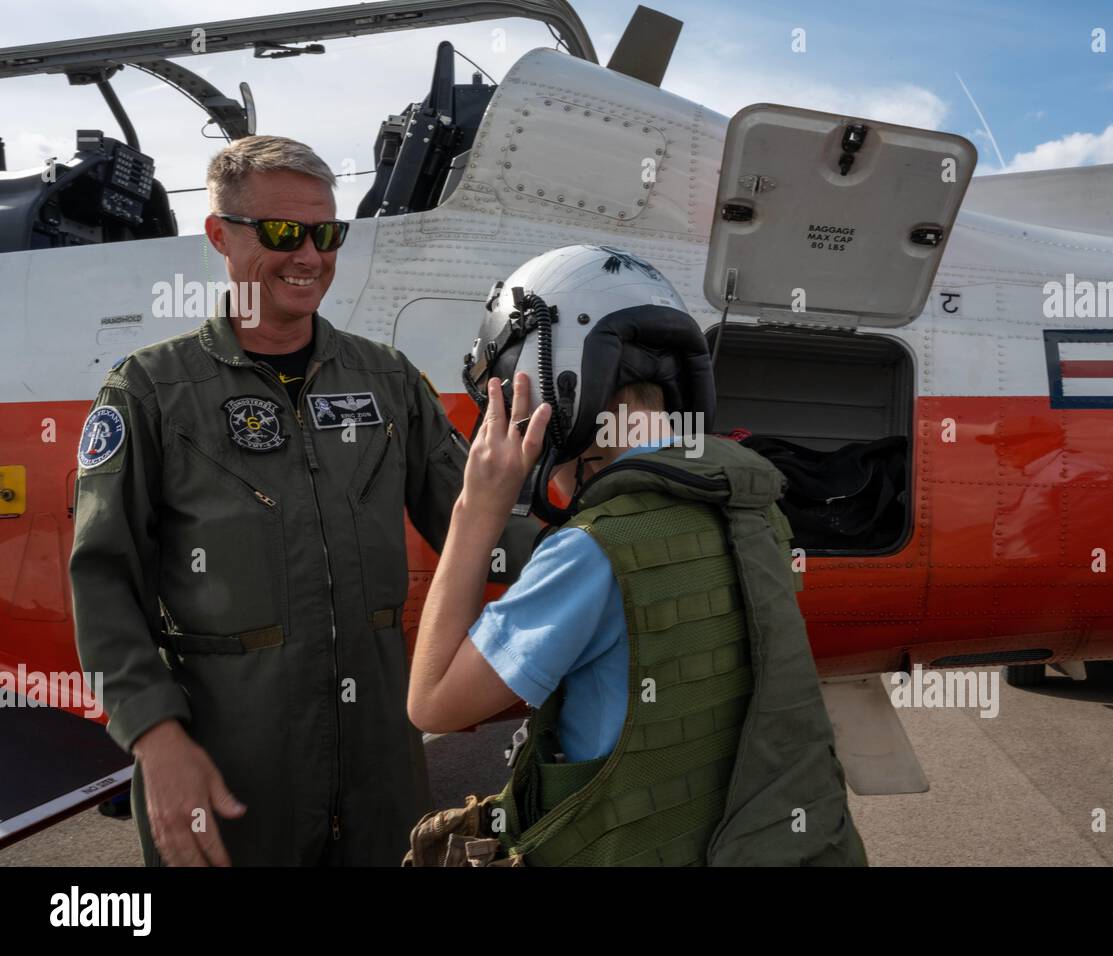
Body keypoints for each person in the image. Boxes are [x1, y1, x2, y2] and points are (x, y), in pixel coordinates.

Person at [69, 134, 533, 866]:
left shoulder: (385, 381)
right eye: (285, 232)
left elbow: (478, 523)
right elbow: (102, 584)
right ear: (220, 235)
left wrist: (609, 544)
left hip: (383, 769)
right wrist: (154, 737)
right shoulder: (151, 393)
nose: (310, 256)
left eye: (327, 233)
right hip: (232, 769)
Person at [405, 244, 866, 866]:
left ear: (551, 393)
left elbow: (431, 702)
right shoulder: (751, 507)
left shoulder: (592, 549)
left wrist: (474, 514)